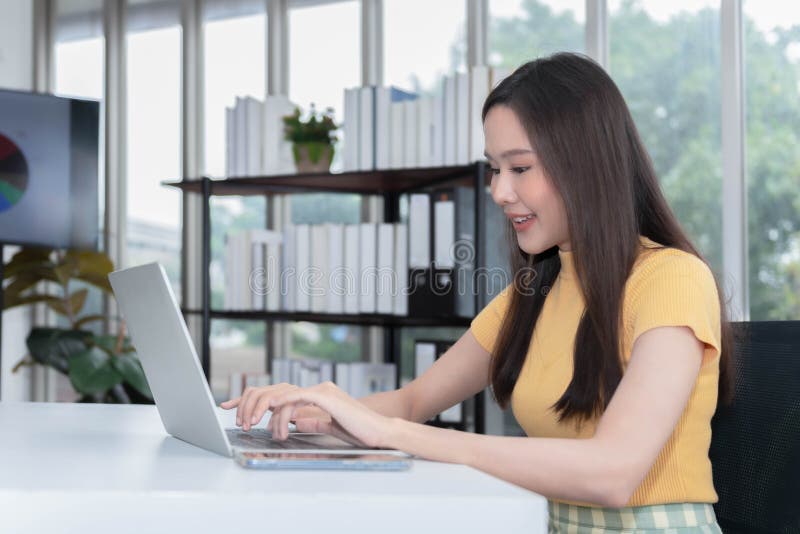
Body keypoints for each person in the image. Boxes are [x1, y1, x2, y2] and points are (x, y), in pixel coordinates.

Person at [221, 52, 732, 533]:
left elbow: (612, 472)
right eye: (494, 168)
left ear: (587, 162)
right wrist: (317, 415)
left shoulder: (671, 279)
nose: (499, 191)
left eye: (520, 168)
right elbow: (415, 399)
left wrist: (396, 436)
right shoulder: (535, 288)